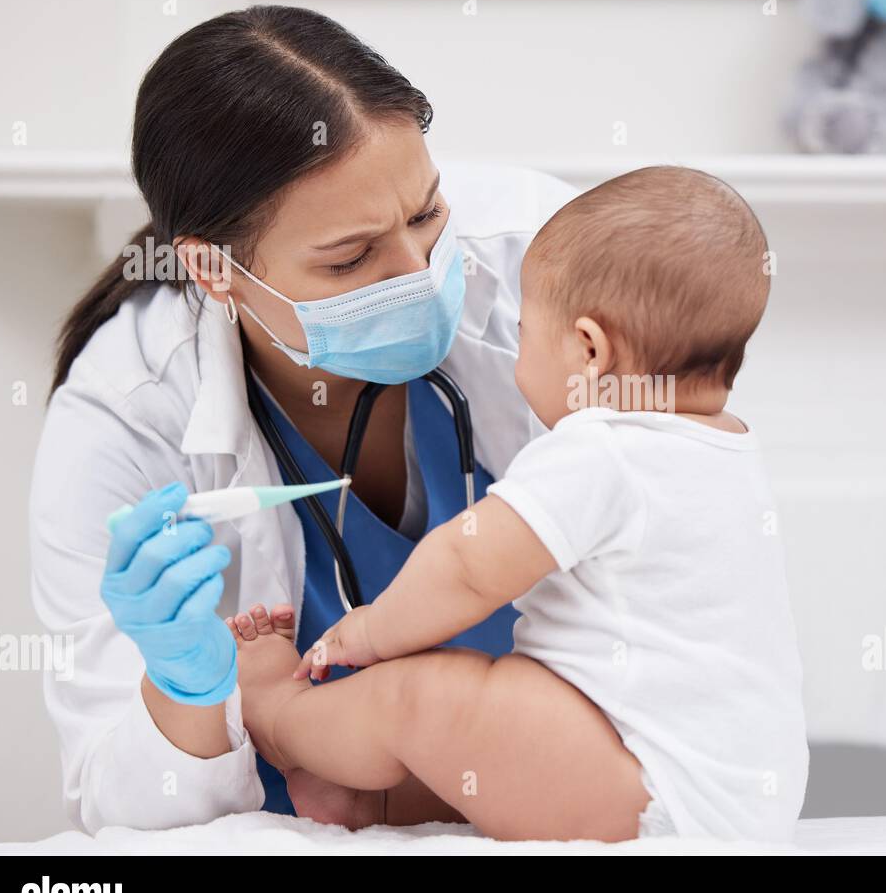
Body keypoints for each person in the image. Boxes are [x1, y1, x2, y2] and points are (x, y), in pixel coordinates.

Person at [31, 5, 575, 832]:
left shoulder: (553, 266)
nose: (420, 273)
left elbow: (691, 577)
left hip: (547, 807)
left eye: (428, 214)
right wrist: (185, 690)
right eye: (351, 257)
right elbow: (117, 806)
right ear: (212, 269)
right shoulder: (124, 415)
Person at [227, 167, 810, 841]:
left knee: (435, 695)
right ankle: (372, 804)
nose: (514, 356)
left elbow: (471, 565)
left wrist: (369, 631)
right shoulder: (729, 452)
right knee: (500, 721)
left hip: (646, 783)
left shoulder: (606, 447)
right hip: (730, 791)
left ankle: (279, 716)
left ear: (589, 349)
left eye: (528, 332)